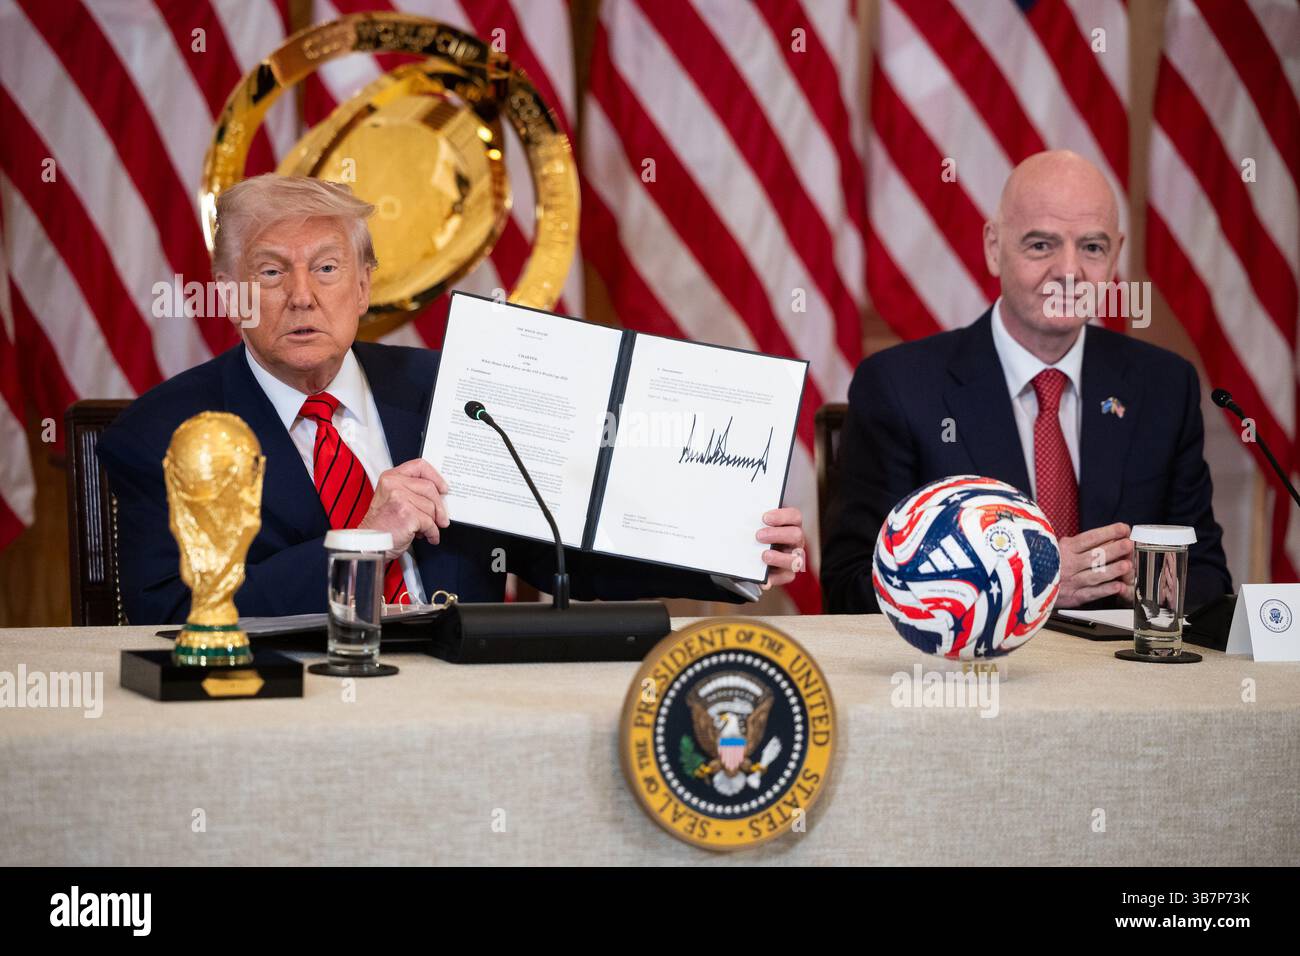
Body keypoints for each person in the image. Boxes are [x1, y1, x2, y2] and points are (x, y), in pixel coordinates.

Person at [98, 175, 807, 624]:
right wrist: (362, 543)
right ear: (230, 293)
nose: (303, 296)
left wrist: (724, 554)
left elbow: (562, 551)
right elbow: (173, 617)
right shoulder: (166, 434)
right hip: (288, 714)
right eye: (271, 271)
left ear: (366, 284)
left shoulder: (455, 390)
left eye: (326, 267)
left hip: (471, 703)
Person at [822, 150, 1230, 614]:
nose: (1070, 272)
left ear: (1115, 256)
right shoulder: (900, 388)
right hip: (970, 680)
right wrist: (1031, 578)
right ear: (994, 248)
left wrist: (1152, 587)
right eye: (1042, 245)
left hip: (1121, 677)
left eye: (1093, 248)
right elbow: (852, 587)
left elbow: (1209, 575)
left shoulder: (1164, 387)